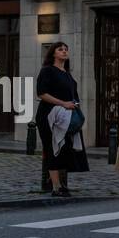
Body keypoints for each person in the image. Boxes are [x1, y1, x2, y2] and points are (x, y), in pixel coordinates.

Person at [35, 41, 90, 195]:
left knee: (65, 149)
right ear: (53, 53)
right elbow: (41, 93)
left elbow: (74, 97)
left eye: (66, 49)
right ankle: (55, 187)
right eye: (61, 49)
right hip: (49, 116)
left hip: (66, 118)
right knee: (52, 149)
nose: (64, 51)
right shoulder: (47, 71)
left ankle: (63, 185)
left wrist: (74, 105)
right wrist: (63, 104)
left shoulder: (67, 74)